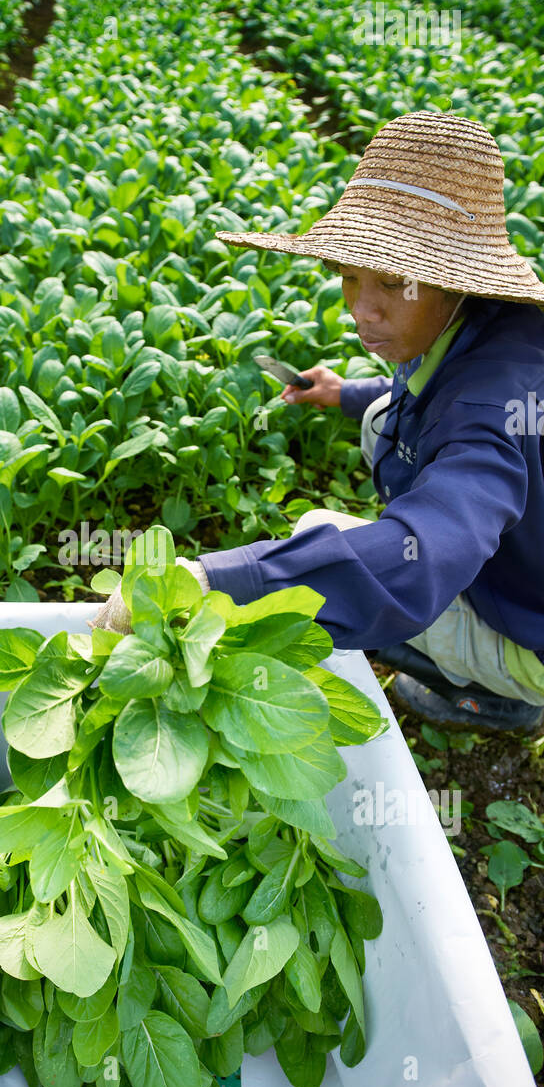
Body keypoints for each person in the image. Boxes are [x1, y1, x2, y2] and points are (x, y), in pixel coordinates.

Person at [89, 110, 544, 731]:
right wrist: (344, 394)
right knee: (384, 417)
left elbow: (420, 558)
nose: (362, 310)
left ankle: (505, 700)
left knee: (319, 541)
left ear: (450, 282)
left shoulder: (486, 413)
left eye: (390, 283)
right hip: (525, 554)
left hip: (532, 632)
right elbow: (435, 394)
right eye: (349, 277)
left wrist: (212, 581)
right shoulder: (494, 328)